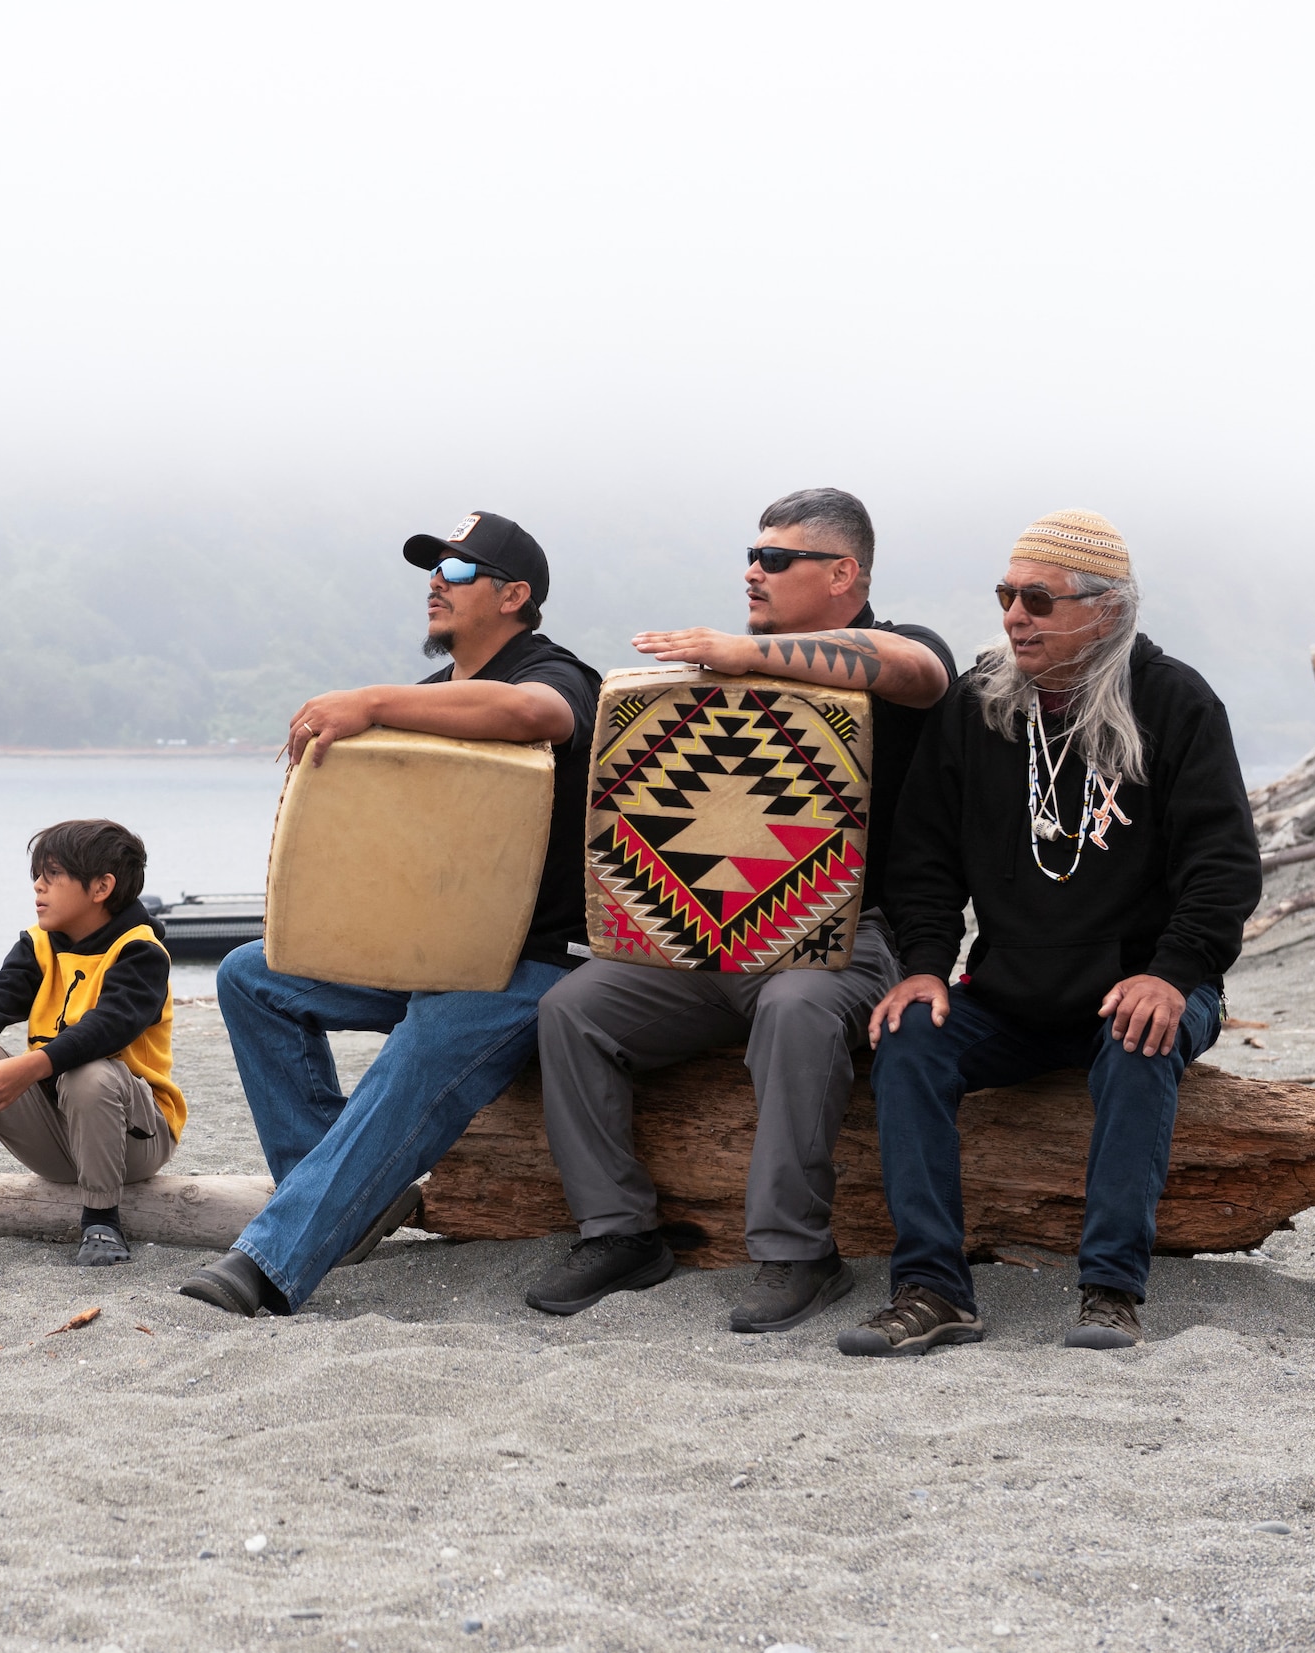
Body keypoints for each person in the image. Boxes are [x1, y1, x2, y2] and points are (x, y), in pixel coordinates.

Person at [528, 488, 956, 1327]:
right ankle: (620, 1231)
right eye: (751, 555)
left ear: (844, 573)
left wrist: (746, 652)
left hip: (846, 940)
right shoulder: (727, 675)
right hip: (703, 943)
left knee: (797, 1008)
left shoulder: (899, 649)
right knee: (571, 1011)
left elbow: (919, 671)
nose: (753, 572)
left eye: (776, 558)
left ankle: (797, 1251)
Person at [844, 510, 1260, 1356]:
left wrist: (1173, 973)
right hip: (1012, 992)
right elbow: (923, 856)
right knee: (909, 1039)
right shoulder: (978, 704)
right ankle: (932, 1288)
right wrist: (924, 965)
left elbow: (1222, 866)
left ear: (1106, 610)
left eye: (1038, 599)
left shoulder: (1175, 701)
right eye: (1006, 595)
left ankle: (1110, 1290)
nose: (1014, 616)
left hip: (1151, 980)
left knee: (1139, 1038)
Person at [182, 510, 601, 1317]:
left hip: (535, 963)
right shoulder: (429, 697)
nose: (437, 583)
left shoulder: (555, 671)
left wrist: (371, 700)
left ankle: (270, 1261)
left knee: (432, 1035)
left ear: (515, 595)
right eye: (433, 569)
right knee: (251, 975)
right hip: (431, 950)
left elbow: (537, 716)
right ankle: (340, 1202)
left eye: (460, 570)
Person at [0, 819, 184, 1270]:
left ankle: (102, 1223)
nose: (38, 887)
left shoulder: (140, 951)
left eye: (53, 875)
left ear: (101, 887)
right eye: (37, 875)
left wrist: (31, 1066)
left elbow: (108, 1027)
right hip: (58, 1139)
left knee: (90, 1071)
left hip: (135, 1141)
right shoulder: (40, 944)